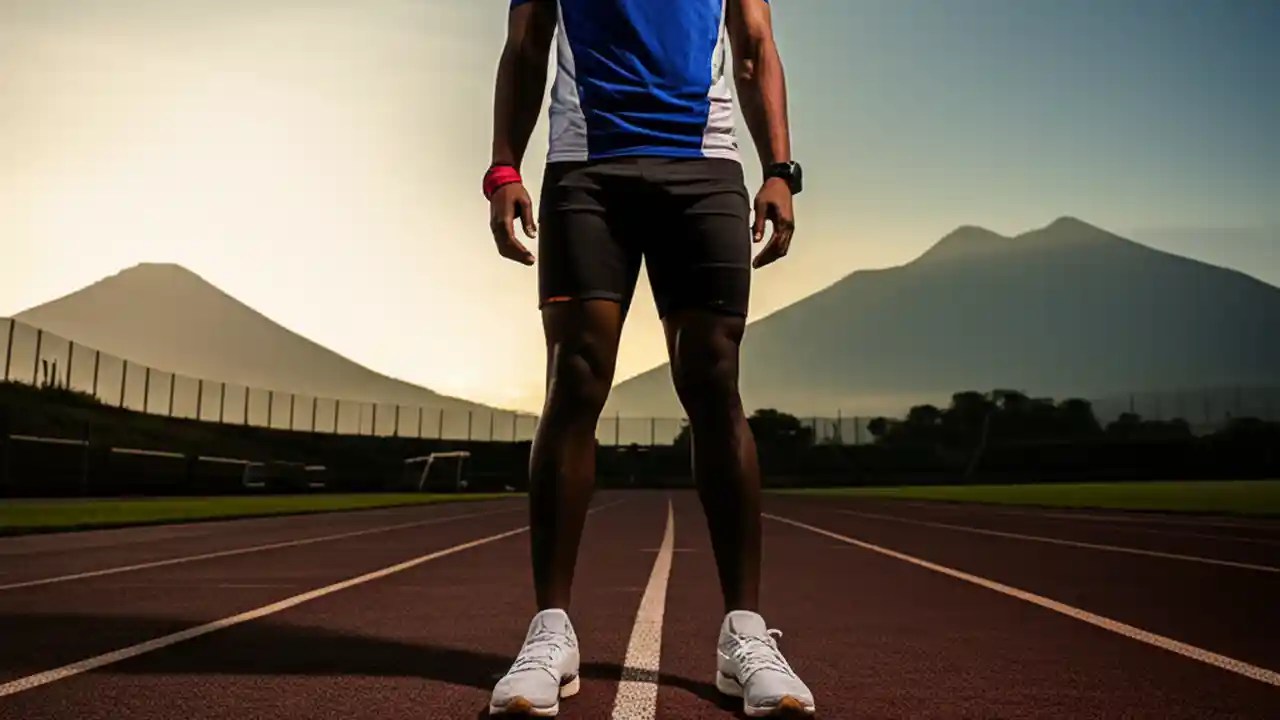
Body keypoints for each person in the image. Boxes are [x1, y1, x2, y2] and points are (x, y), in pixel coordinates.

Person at [483, 0, 812, 716]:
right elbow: (527, 40)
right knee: (574, 378)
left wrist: (780, 168)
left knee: (714, 381)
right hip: (586, 166)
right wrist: (504, 166)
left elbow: (753, 43)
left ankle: (744, 634)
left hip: (704, 166)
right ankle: (551, 631)